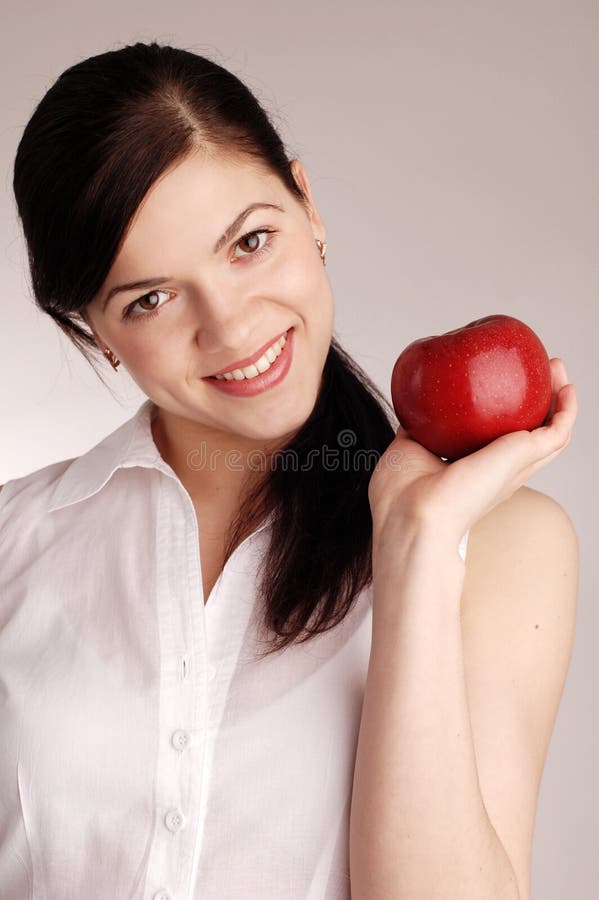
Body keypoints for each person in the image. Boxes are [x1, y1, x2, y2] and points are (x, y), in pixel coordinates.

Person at [0, 41, 578, 900]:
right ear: (92, 334)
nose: (231, 329)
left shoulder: (499, 546)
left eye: (250, 242)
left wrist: (415, 548)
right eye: (150, 299)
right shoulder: (13, 544)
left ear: (308, 205)